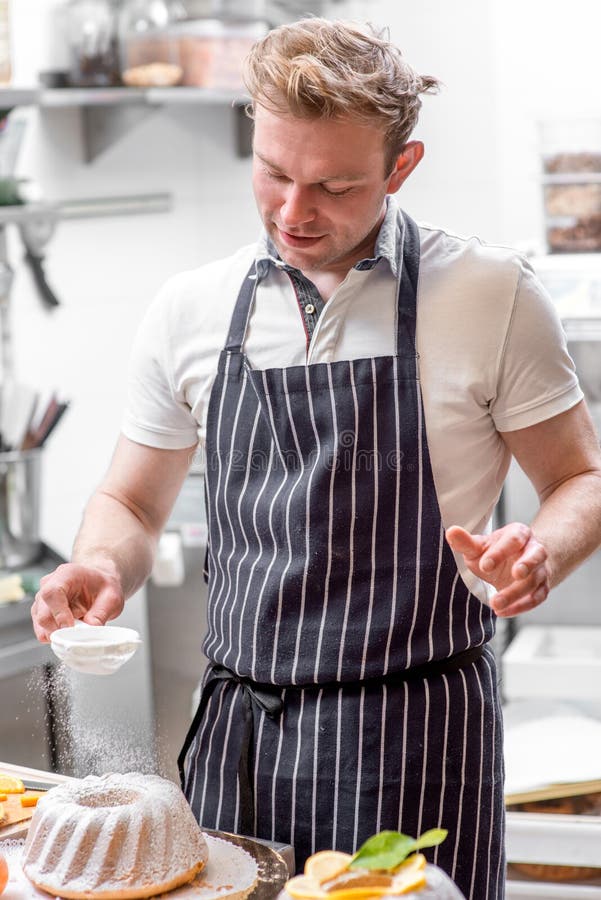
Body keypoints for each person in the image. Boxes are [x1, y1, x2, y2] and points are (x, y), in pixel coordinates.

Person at [31, 18, 601, 900]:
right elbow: (133, 504)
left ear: (400, 167)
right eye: (273, 174)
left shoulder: (491, 295)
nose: (294, 213)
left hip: (414, 734)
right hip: (239, 742)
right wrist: (100, 563)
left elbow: (578, 478)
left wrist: (542, 550)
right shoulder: (191, 309)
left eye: (334, 185)